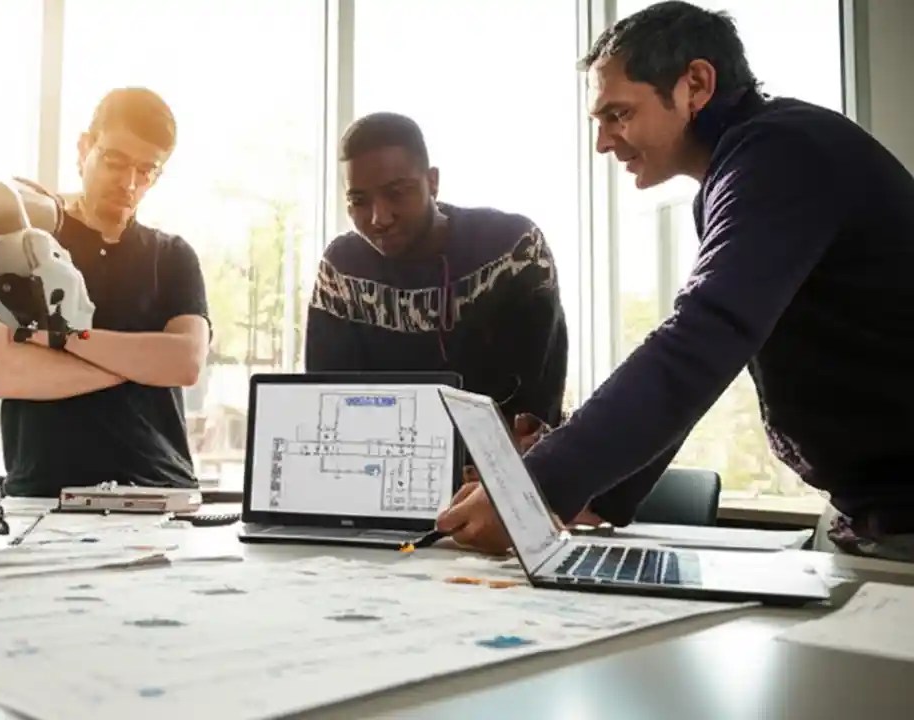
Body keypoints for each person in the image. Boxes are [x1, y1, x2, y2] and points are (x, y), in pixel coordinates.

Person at [437, 0, 914, 562]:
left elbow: (700, 340)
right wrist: (602, 492)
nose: (604, 143)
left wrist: (537, 489)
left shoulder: (781, 155)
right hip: (870, 512)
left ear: (695, 84)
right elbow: (710, 354)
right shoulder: (745, 172)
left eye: (618, 115)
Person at [0, 87, 209, 497]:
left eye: (146, 170)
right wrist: (142, 364)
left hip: (159, 489)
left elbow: (186, 363)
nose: (129, 182)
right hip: (45, 493)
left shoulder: (174, 257)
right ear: (85, 147)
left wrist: (62, 340)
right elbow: (6, 372)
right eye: (115, 161)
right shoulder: (27, 245)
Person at [306, 112, 568, 430]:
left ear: (432, 181)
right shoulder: (341, 272)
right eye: (358, 201)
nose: (379, 218)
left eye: (396, 192)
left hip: (504, 465)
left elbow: (535, 405)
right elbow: (329, 402)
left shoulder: (514, 250)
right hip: (382, 467)